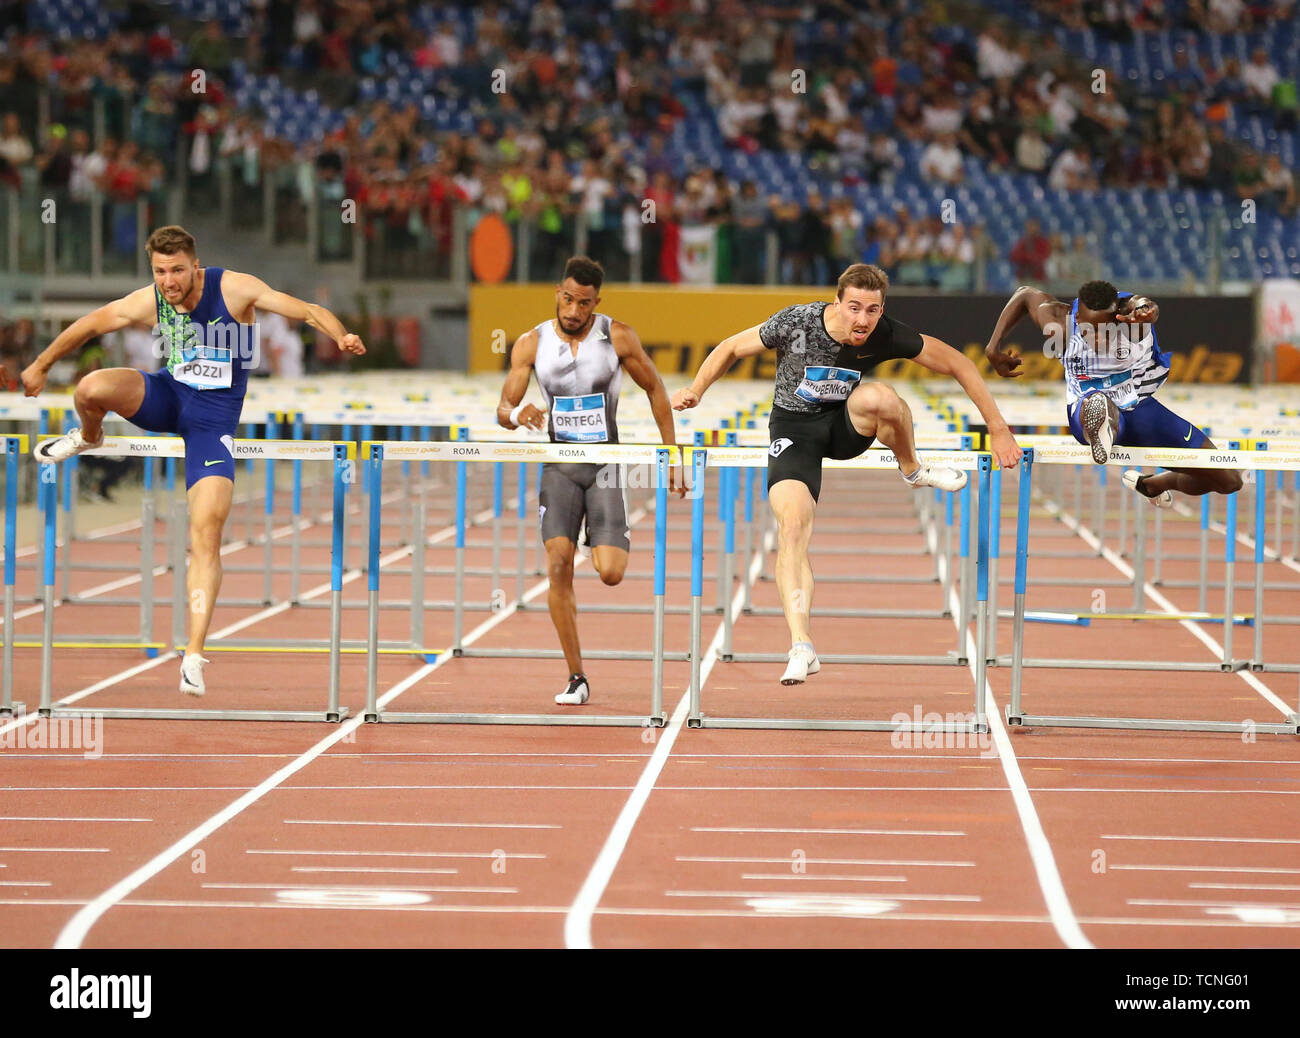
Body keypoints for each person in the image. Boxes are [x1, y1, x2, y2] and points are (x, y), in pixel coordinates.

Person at [20, 225, 366, 695]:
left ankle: (194, 655)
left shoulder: (234, 287)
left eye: (177, 270)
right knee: (90, 388)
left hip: (212, 423)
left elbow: (304, 310)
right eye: (160, 272)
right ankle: (88, 436)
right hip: (167, 396)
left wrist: (341, 335)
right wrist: (41, 364)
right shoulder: (153, 297)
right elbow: (93, 322)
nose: (169, 281)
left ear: (195, 266)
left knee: (206, 534)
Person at [671, 263, 1023, 685]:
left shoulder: (885, 332)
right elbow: (730, 347)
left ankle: (912, 469)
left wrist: (999, 432)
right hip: (794, 432)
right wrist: (696, 389)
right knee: (792, 528)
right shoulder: (796, 322)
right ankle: (802, 645)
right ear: (837, 302)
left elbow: (960, 364)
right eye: (854, 308)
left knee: (882, 397)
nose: (863, 320)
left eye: (872, 310)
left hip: (844, 427)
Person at [496, 256, 682, 707]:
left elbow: (656, 388)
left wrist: (672, 452)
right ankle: (576, 676)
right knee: (558, 563)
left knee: (611, 573)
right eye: (567, 299)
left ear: (596, 302)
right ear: (557, 293)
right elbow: (503, 409)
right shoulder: (530, 343)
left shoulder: (617, 336)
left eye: (583, 303)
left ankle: (597, 532)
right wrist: (520, 415)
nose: (573, 310)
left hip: (604, 466)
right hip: (559, 467)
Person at [983, 280, 1242, 504]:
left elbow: (1144, 304)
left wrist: (1146, 310)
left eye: (1103, 328)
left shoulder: (1131, 317)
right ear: (1076, 320)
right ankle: (1103, 428)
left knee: (1229, 480)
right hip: (1084, 410)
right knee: (1098, 402)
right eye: (1088, 329)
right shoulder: (1058, 322)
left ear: (1117, 316)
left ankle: (1154, 484)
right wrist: (992, 347)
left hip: (1139, 409)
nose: (1096, 338)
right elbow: (1025, 294)